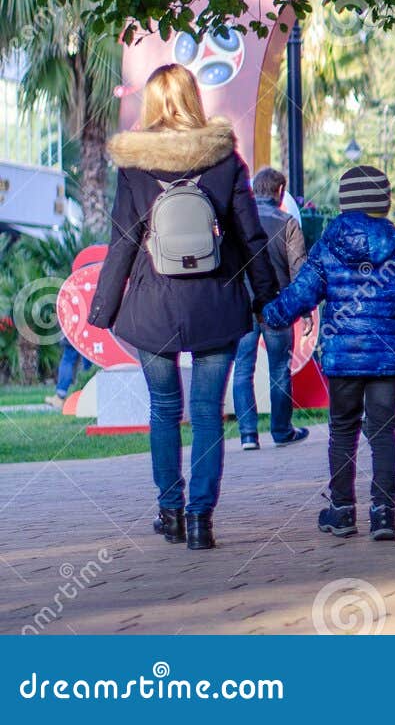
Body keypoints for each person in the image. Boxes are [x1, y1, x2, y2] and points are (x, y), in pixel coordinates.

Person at [87, 64, 279, 550]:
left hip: (153, 308)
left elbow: (123, 244)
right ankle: (200, 521)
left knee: (163, 410)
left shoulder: (135, 167)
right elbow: (251, 239)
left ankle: (169, 512)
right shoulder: (225, 161)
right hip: (217, 304)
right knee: (209, 413)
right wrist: (270, 300)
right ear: (194, 99)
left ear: (152, 103)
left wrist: (103, 312)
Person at [264, 166, 395, 541]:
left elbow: (301, 294)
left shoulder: (328, 249)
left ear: (345, 200)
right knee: (382, 433)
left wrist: (269, 314)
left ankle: (342, 510)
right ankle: (383, 514)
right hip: (385, 361)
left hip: (342, 358)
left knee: (343, 431)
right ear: (384, 201)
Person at [232, 166, 310, 450]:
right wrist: (305, 311)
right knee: (279, 369)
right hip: (278, 305)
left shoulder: (238, 223)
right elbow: (299, 270)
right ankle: (281, 431)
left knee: (242, 369)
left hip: (242, 305)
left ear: (255, 191)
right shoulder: (288, 223)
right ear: (279, 192)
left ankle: (248, 435)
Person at [46, 338, 86, 410]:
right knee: (88, 357)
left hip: (75, 329)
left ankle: (60, 397)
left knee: (68, 358)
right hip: (94, 330)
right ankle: (86, 396)